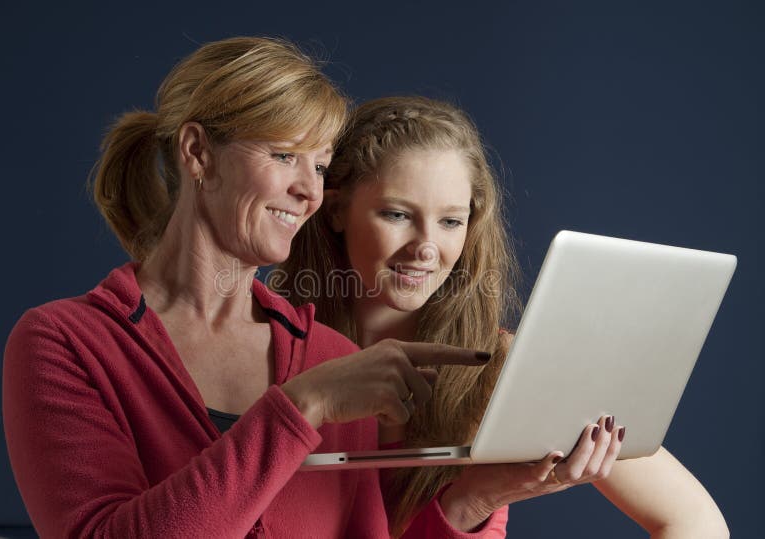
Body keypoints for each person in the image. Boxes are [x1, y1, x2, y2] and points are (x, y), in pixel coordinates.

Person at [2, 39, 490, 539]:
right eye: (284, 155)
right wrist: (303, 406)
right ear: (198, 153)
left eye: (319, 166)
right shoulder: (64, 343)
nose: (310, 191)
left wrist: (482, 496)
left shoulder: (331, 356)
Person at [279, 96, 730, 538]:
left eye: (451, 222)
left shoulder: (501, 369)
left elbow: (695, 522)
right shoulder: (270, 354)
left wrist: (476, 499)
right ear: (336, 210)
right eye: (397, 214)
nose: (427, 248)